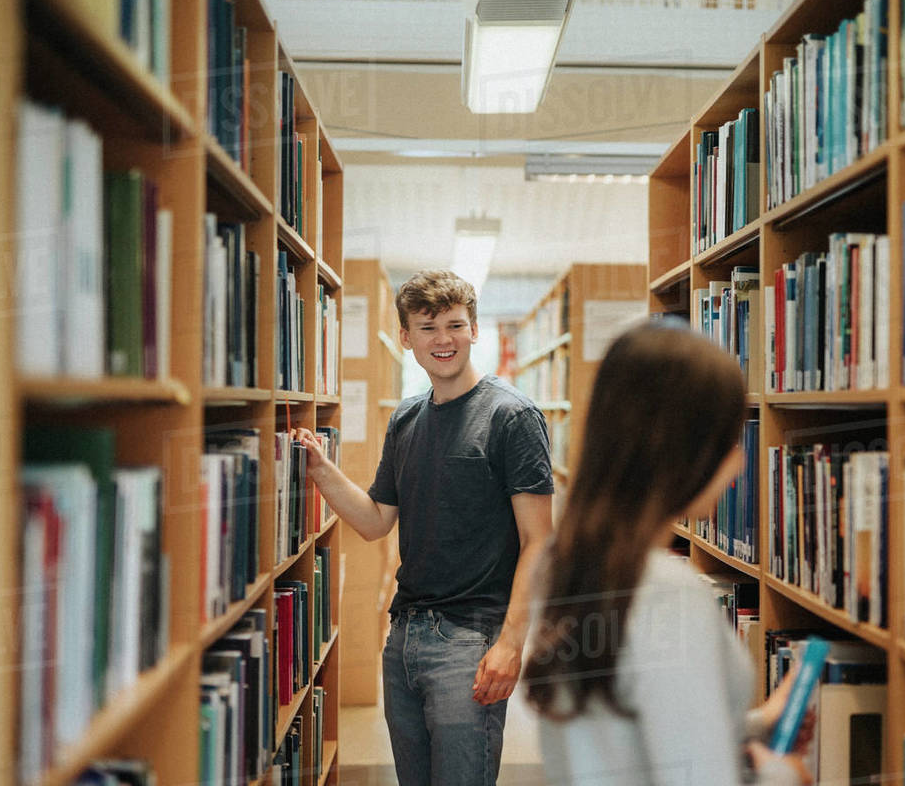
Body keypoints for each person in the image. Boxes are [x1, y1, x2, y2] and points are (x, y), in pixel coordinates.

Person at [293, 270, 555, 786]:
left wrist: (509, 644)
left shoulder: (513, 417)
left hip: (470, 642)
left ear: (475, 330)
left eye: (456, 325)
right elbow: (374, 522)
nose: (444, 340)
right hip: (403, 638)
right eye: (428, 327)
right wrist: (322, 471)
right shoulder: (406, 420)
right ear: (407, 337)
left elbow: (540, 541)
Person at [522, 321, 812, 786]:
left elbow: (619, 734)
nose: (740, 462)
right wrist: (784, 776)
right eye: (727, 440)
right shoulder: (665, 593)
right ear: (680, 449)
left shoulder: (562, 563)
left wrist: (759, 723)